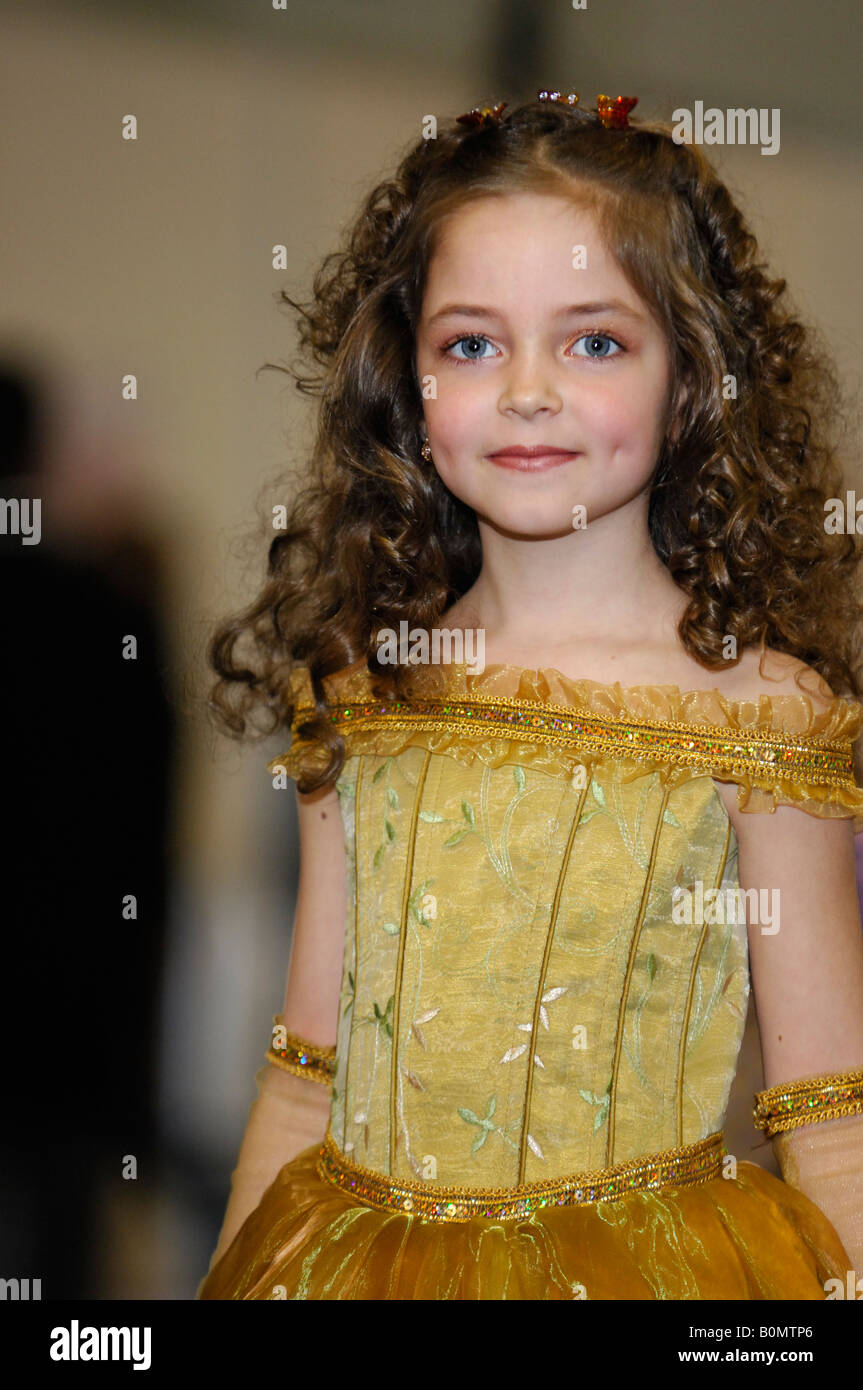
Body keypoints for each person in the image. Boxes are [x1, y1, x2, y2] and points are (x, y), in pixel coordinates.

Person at [196, 93, 863, 1300]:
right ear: (406, 382)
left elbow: (828, 1113)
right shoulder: (362, 692)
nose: (527, 389)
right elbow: (305, 1074)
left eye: (594, 340)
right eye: (471, 343)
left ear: (693, 376)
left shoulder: (766, 713)